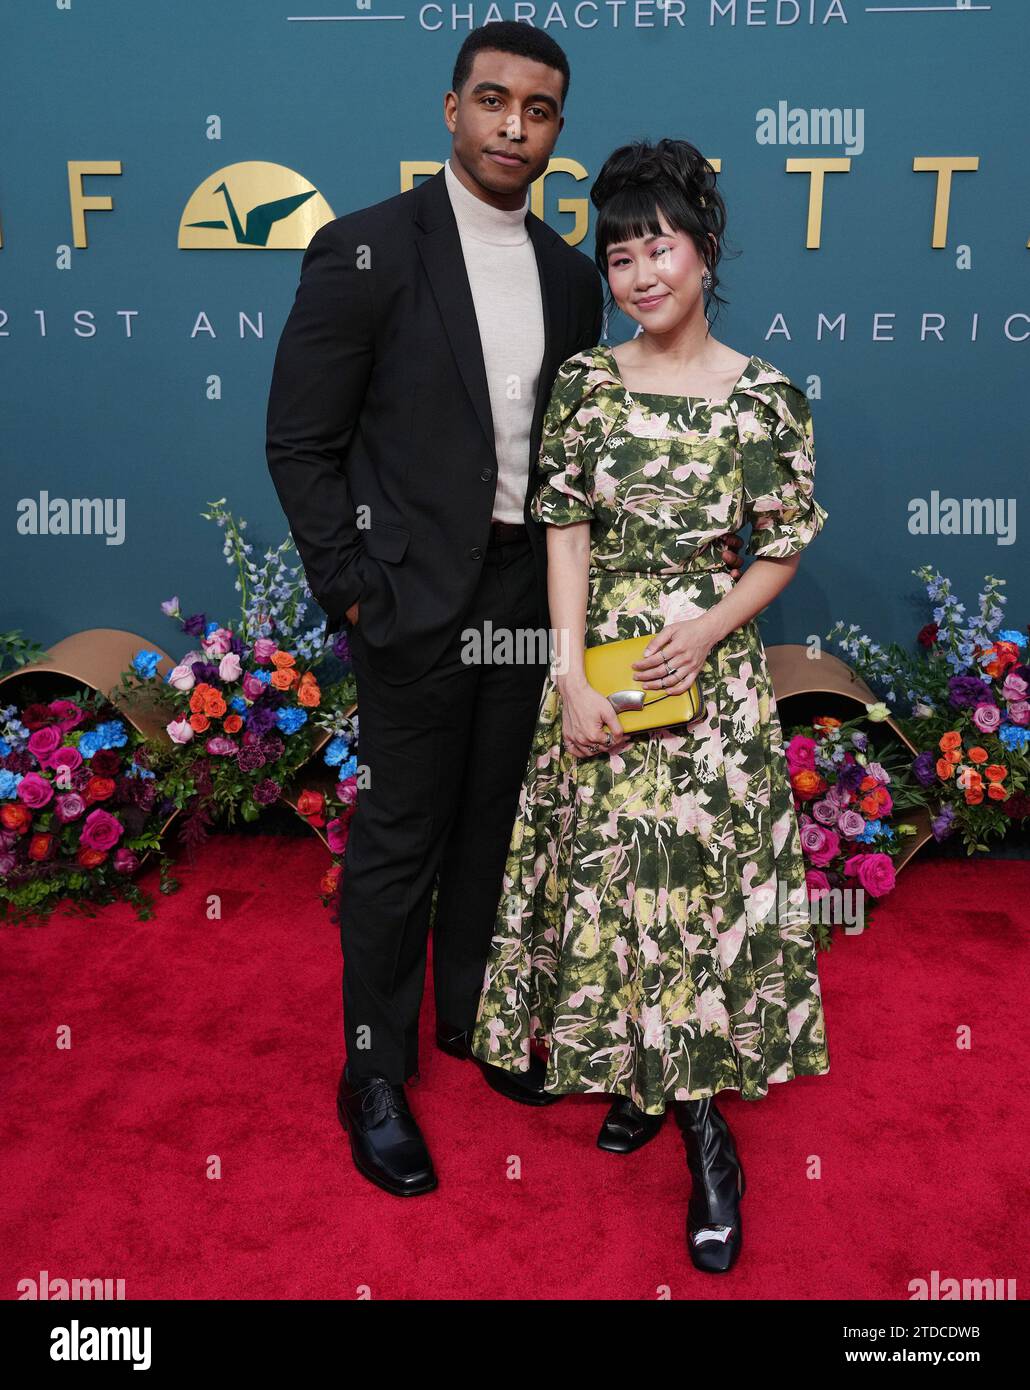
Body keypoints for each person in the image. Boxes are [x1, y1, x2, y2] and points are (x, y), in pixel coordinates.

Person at [266, 25, 744, 1200]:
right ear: (450, 110)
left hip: (531, 598)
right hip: (409, 599)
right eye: (491, 102)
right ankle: (371, 1074)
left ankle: (472, 1023)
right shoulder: (362, 250)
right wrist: (353, 590)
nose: (511, 127)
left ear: (555, 133)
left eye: (536, 111)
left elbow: (577, 458)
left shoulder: (573, 275)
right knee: (397, 841)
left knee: (493, 822)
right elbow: (301, 442)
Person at [470, 138, 831, 1272]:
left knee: (694, 900)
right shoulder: (584, 383)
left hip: (706, 683)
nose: (639, 273)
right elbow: (564, 533)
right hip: (601, 678)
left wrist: (712, 625)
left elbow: (780, 548)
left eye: (658, 247)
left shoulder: (764, 396)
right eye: (619, 254)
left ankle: (706, 1136)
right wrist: (569, 672)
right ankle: (638, 1074)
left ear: (704, 252)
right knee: (610, 886)